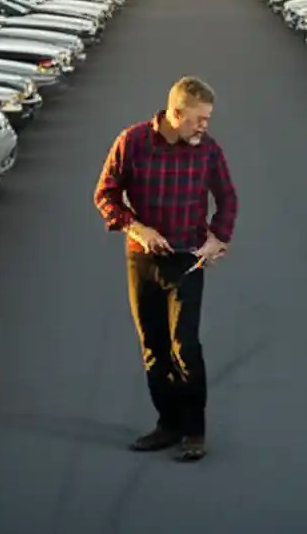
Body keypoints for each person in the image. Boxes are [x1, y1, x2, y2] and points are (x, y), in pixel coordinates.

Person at [93, 76, 239, 462]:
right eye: (198, 119)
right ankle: (167, 424)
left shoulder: (209, 152)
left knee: (185, 347)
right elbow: (105, 194)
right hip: (141, 260)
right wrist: (136, 227)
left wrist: (217, 238)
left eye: (208, 119)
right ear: (175, 114)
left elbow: (227, 199)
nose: (205, 127)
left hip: (189, 260)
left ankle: (194, 431)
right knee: (154, 347)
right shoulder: (133, 142)